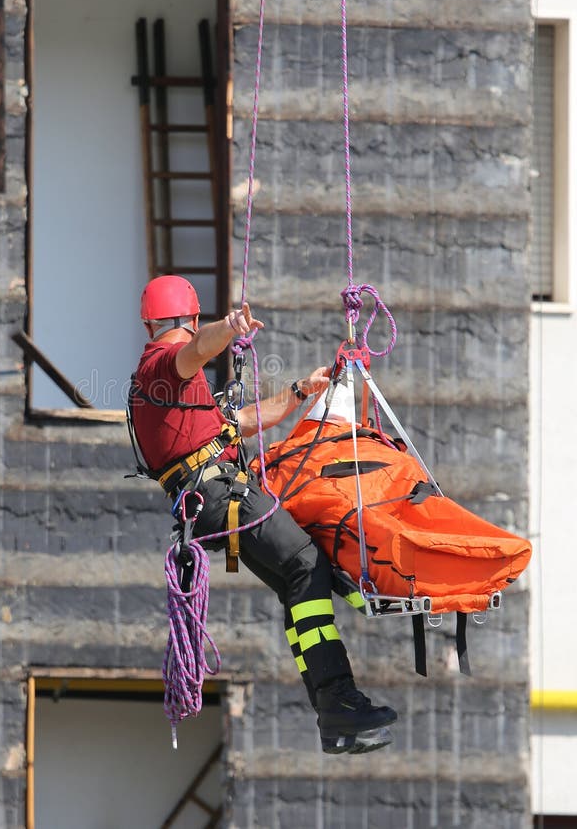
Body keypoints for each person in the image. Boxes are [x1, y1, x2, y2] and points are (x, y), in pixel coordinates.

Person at [129, 275, 398, 754]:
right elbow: (191, 353)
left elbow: (242, 421)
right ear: (190, 319)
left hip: (214, 498)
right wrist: (228, 328)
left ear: (150, 321)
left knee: (302, 580)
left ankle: (335, 716)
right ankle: (338, 700)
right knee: (306, 564)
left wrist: (302, 390)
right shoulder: (162, 366)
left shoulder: (174, 389)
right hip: (216, 494)